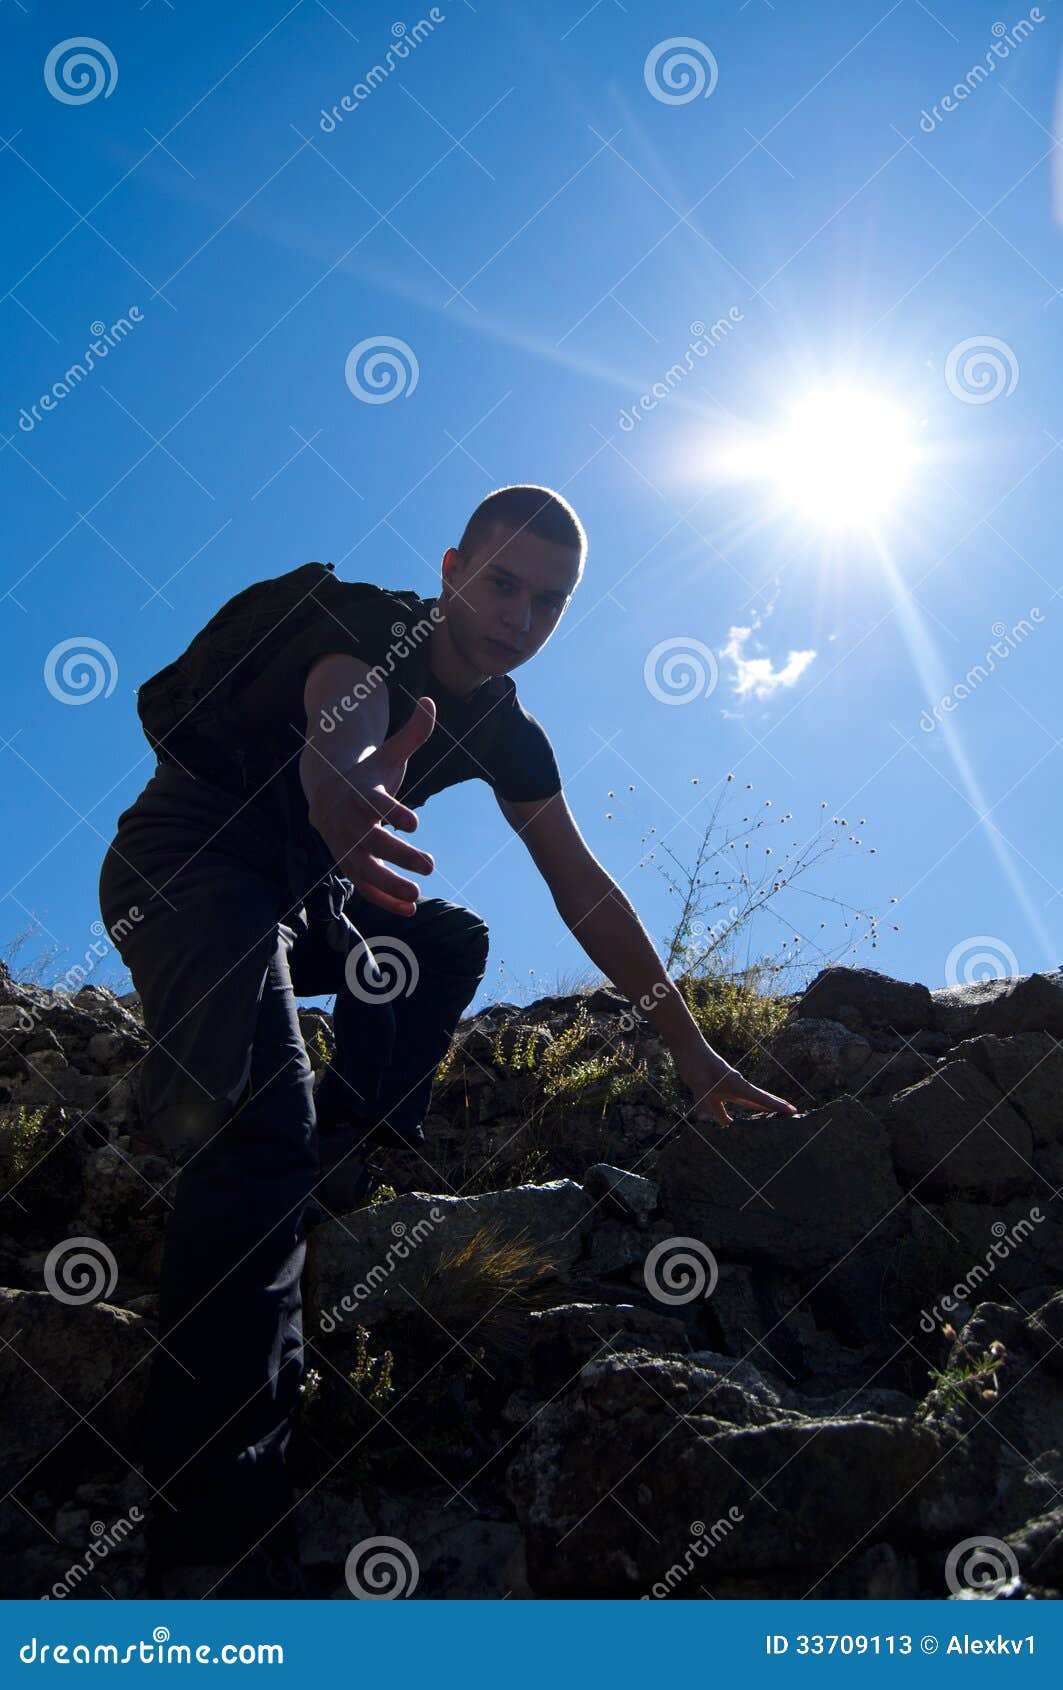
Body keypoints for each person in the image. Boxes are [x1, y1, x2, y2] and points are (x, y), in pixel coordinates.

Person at [97, 484, 796, 1598]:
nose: (516, 616)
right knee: (256, 1121)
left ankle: (345, 1158)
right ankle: (212, 1544)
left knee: (449, 941)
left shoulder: (507, 731)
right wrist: (345, 785)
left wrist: (690, 1046)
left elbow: (585, 894)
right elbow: (346, 711)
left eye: (548, 601)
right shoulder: (370, 627)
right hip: (182, 867)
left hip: (307, 897)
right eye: (500, 581)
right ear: (451, 565)